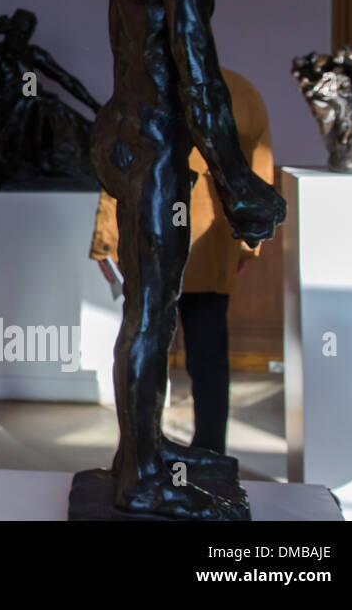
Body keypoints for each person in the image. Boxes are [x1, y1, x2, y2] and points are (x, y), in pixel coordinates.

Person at [89, 0, 284, 519]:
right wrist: (240, 184)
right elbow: (197, 76)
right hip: (158, 140)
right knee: (149, 313)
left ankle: (139, 453)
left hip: (136, 134)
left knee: (153, 310)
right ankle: (139, 480)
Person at [90, 67, 272, 455]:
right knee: (202, 353)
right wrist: (249, 242)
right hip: (203, 239)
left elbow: (117, 166)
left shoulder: (142, 85)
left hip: (156, 235)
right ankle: (206, 450)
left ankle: (143, 450)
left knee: (145, 346)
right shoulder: (237, 89)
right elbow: (257, 170)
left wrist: (106, 240)